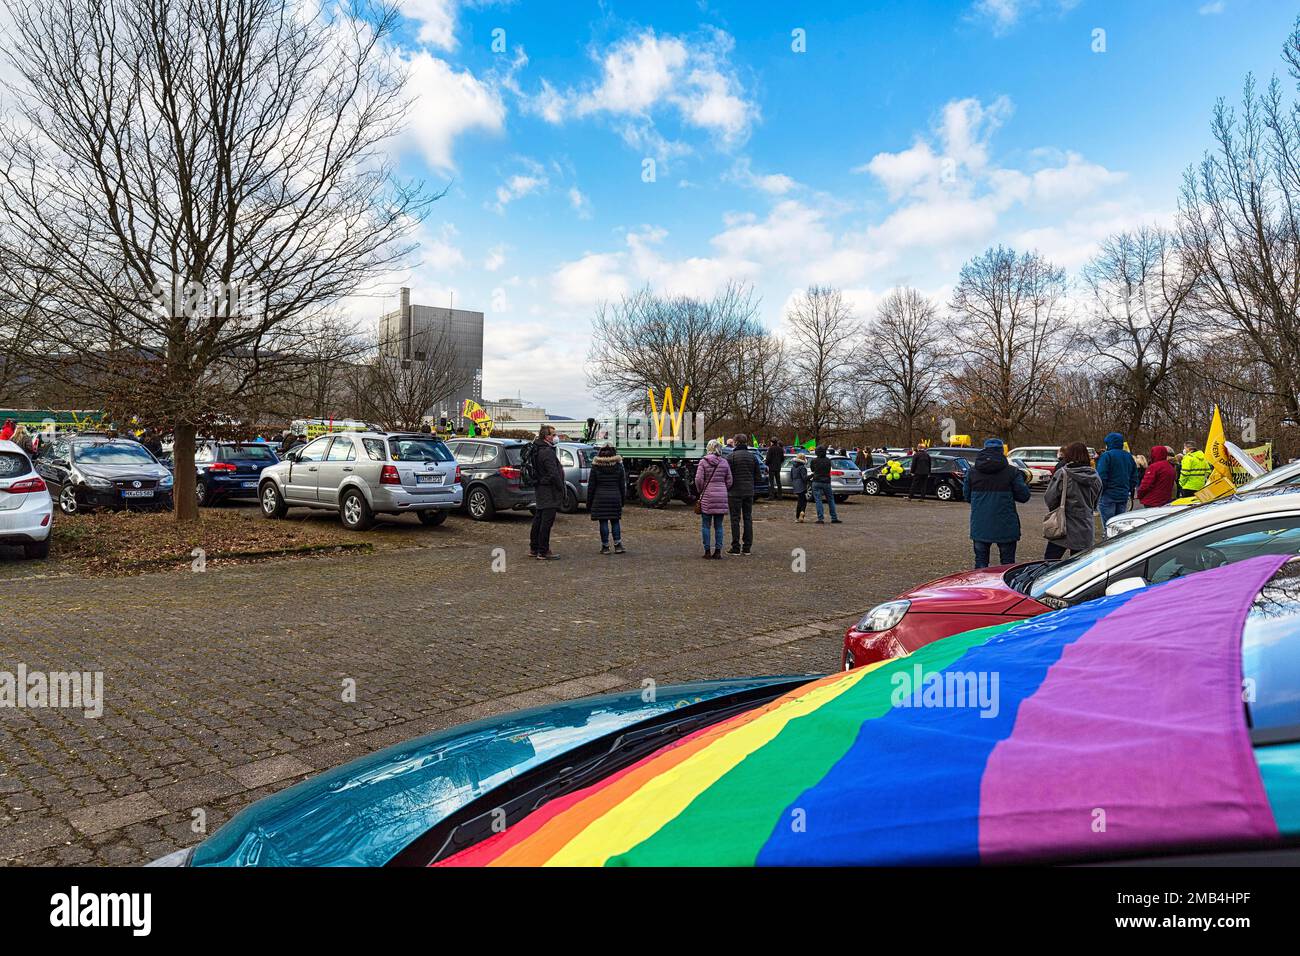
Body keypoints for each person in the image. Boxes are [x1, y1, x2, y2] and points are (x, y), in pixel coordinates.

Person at [962, 438, 1030, 568]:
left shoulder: (972, 472)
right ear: (1002, 451)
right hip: (1006, 523)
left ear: (984, 449)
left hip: (980, 523)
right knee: (1007, 564)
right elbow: (1024, 496)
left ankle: (981, 587)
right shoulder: (1012, 471)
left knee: (981, 563)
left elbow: (967, 496)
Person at [1042, 442, 1103, 559]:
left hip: (1063, 525)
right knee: (1079, 567)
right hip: (1085, 527)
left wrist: (1057, 508)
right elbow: (1096, 500)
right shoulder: (1095, 476)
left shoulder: (1063, 474)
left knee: (1049, 563)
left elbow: (1050, 497)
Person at [529, 425, 566, 560]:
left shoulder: (536, 449)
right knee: (546, 522)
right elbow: (553, 473)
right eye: (553, 434)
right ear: (547, 436)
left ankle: (534, 548)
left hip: (540, 488)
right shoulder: (546, 451)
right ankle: (543, 551)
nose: (555, 436)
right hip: (548, 490)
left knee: (538, 519)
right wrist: (560, 487)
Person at [695, 439, 733, 558]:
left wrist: (701, 490)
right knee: (719, 526)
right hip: (721, 496)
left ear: (709, 448)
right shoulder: (724, 462)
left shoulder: (703, 462)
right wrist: (723, 488)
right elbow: (730, 480)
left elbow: (698, 479)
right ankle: (717, 551)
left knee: (706, 525)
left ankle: (707, 551)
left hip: (707, 496)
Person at [585, 444, 626, 554]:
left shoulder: (596, 466)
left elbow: (591, 486)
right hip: (615, 497)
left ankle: (605, 546)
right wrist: (622, 500)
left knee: (603, 522)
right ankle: (618, 545)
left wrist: (589, 503)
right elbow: (622, 485)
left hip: (600, 498)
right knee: (615, 521)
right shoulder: (619, 465)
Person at [1095, 431, 1138, 526]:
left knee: (1109, 526)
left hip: (1108, 496)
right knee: (1120, 525)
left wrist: (1102, 491)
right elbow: (1134, 477)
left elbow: (1101, 476)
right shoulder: (1128, 456)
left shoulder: (1107, 456)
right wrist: (1128, 489)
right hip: (1123, 495)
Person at [726, 433, 758, 554]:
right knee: (748, 518)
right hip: (749, 491)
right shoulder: (753, 457)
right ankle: (747, 547)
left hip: (734, 492)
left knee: (735, 519)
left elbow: (727, 476)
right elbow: (758, 476)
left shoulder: (730, 457)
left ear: (736, 442)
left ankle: (735, 547)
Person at [808, 446, 842, 524]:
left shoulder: (814, 461)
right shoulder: (828, 461)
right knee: (830, 500)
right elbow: (829, 469)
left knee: (818, 500)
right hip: (826, 481)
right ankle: (834, 517)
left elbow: (812, 469)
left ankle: (820, 518)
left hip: (816, 481)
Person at [790, 452, 810, 522]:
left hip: (796, 486)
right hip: (802, 486)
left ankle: (797, 517)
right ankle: (802, 513)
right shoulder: (802, 467)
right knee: (804, 501)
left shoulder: (793, 467)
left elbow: (791, 477)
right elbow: (804, 478)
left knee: (799, 500)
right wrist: (811, 476)